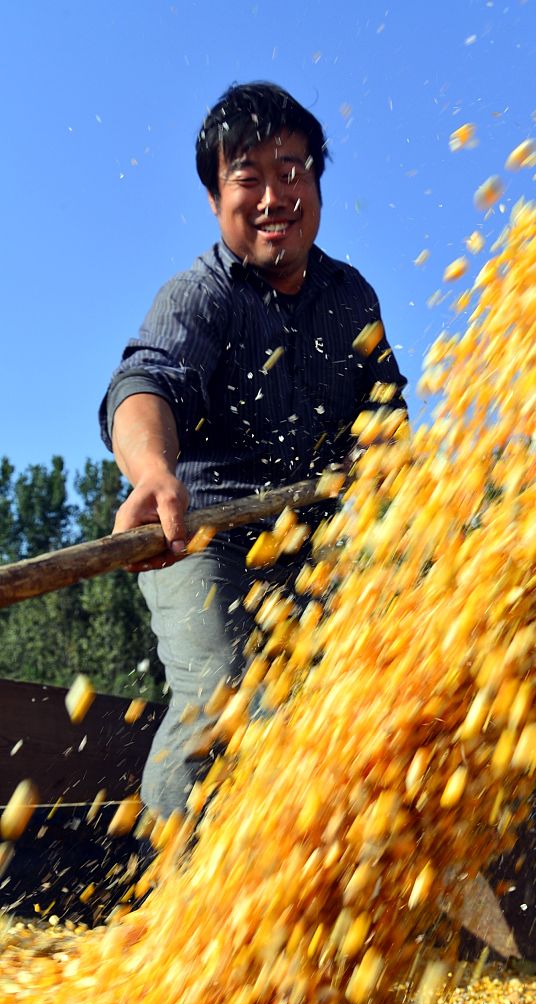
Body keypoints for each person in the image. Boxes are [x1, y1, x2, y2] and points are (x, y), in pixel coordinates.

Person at [101, 81, 407, 818]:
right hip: (200, 538)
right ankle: (180, 878)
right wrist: (152, 473)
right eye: (248, 178)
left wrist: (398, 494)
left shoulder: (351, 299)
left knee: (370, 693)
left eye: (290, 171)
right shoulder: (200, 296)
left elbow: (386, 424)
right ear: (216, 199)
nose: (273, 196)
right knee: (225, 693)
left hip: (316, 545)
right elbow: (145, 385)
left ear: (316, 184)